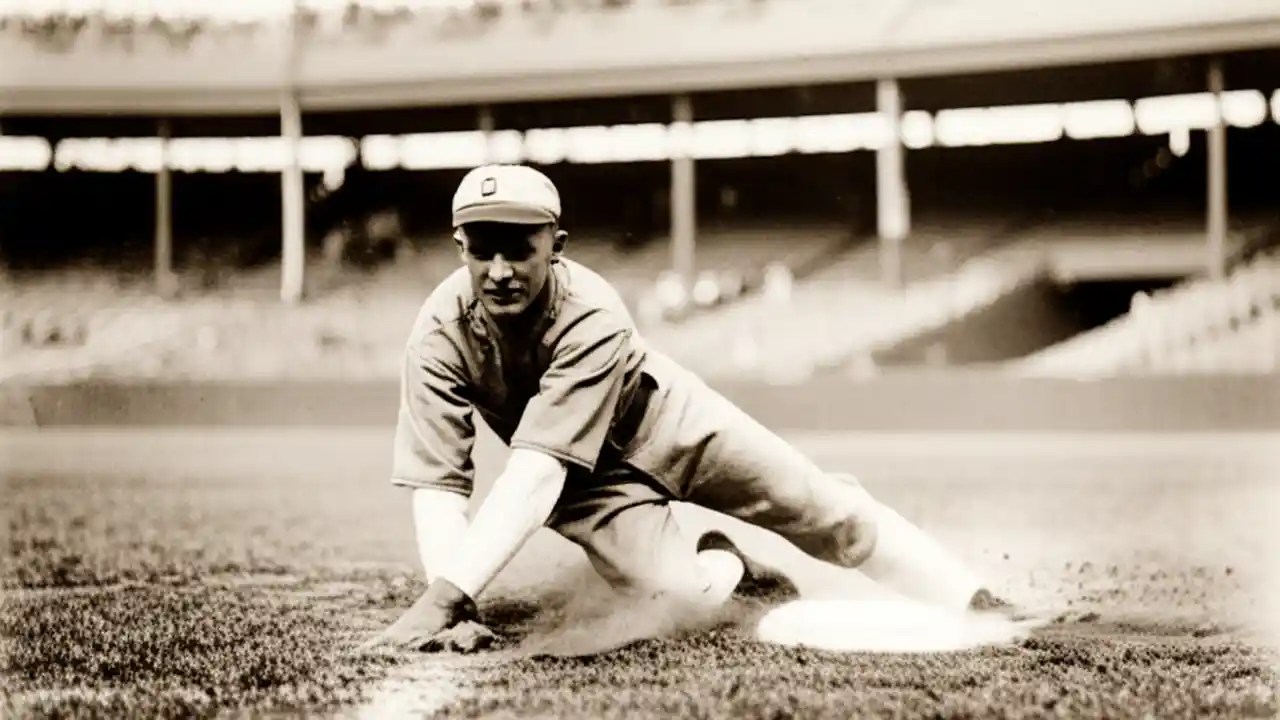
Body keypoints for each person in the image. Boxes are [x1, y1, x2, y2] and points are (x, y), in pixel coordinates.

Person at [368, 164, 1014, 653]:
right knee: (679, 605)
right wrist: (457, 608)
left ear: (556, 244)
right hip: (586, 484)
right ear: (460, 247)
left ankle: (971, 595)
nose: (501, 268)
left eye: (520, 247)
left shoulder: (590, 311)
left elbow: (533, 475)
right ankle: (728, 562)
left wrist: (449, 596)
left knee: (818, 505)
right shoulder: (436, 335)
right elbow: (439, 487)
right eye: (483, 248)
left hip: (669, 422)